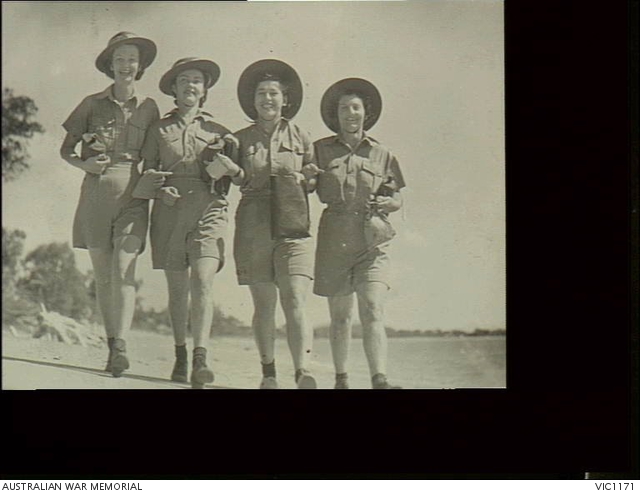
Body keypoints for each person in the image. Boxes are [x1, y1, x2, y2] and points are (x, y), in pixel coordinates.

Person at [135, 58, 240, 389]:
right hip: (170, 209)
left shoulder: (220, 132)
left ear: (205, 88)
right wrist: (158, 188)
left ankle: (200, 357)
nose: (191, 86)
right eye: (184, 80)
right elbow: (145, 170)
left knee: (203, 280)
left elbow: (234, 173)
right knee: (178, 289)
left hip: (209, 208)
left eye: (197, 80)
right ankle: (181, 355)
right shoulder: (158, 130)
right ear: (174, 89)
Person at [60, 32, 160, 377]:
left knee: (124, 270)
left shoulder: (149, 107)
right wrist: (84, 164)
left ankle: (121, 346)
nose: (126, 66)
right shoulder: (91, 104)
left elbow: (154, 156)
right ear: (110, 65)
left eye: (132, 59)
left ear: (140, 65)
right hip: (96, 195)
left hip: (133, 196)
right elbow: (66, 150)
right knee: (104, 278)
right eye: (119, 59)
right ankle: (111, 345)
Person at [308, 78, 405, 389]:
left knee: (373, 306)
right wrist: (306, 178)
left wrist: (391, 202)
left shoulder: (383, 154)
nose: (350, 113)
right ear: (335, 116)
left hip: (371, 238)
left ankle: (379, 380)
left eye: (356, 107)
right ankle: (342, 380)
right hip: (334, 238)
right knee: (340, 317)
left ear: (366, 113)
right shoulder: (319, 150)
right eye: (343, 108)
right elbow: (306, 186)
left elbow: (397, 196)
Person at [231, 59, 318, 389]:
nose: (268, 99)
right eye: (261, 94)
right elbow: (230, 178)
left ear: (286, 99)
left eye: (274, 93)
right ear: (252, 101)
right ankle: (268, 372)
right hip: (254, 222)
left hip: (293, 222)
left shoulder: (302, 137)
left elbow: (313, 181)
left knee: (295, 296)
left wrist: (309, 179)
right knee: (264, 303)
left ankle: (302, 370)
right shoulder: (238, 139)